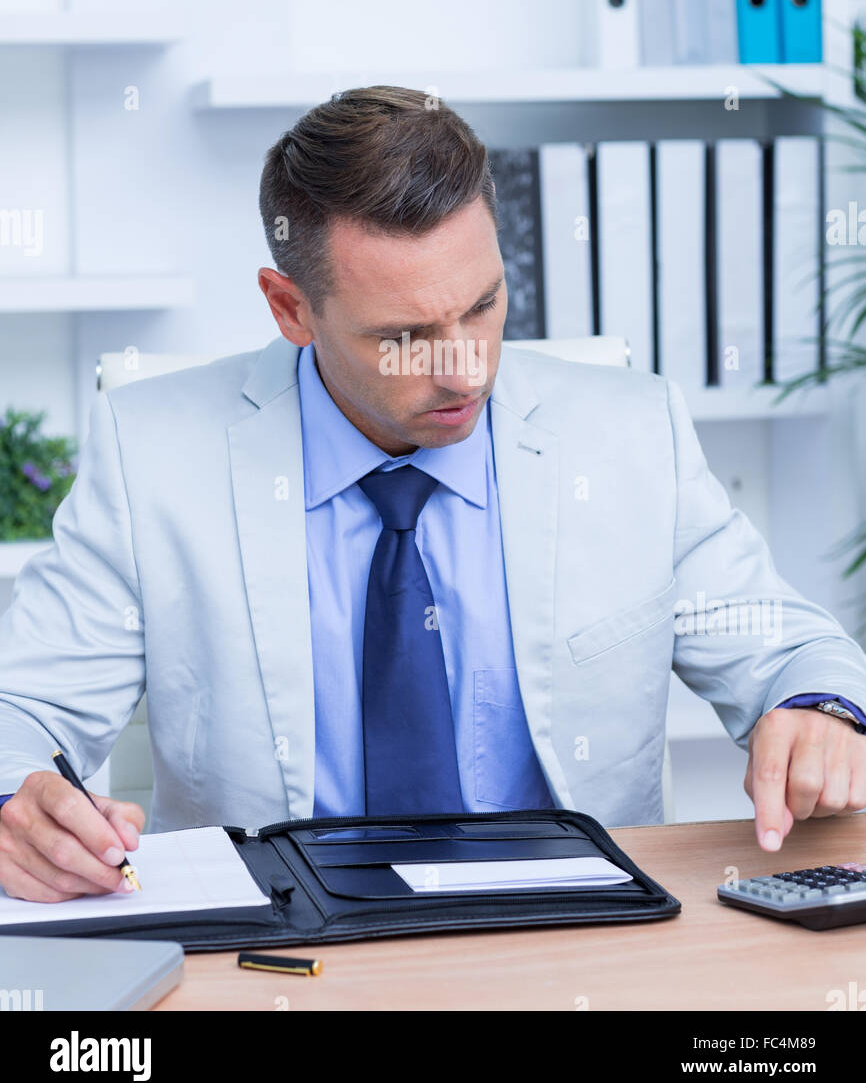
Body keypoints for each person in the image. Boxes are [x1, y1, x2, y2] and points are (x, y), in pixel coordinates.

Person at [1, 85, 865, 904]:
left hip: (577, 942)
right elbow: (22, 708)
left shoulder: (632, 436)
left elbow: (789, 650)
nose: (465, 368)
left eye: (484, 305)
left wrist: (817, 708)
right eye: (403, 336)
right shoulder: (153, 454)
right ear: (290, 308)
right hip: (285, 953)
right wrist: (17, 801)